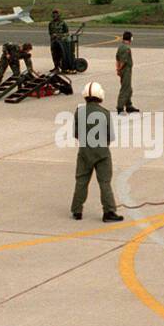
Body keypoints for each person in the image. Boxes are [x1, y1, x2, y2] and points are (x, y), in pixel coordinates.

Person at [71, 81, 123, 223]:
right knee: (105, 182)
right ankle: (109, 211)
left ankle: (77, 210)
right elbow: (110, 136)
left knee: (81, 181)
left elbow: (76, 133)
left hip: (84, 152)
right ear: (100, 95)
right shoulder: (105, 113)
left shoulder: (79, 111)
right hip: (102, 153)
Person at [115, 30, 139, 113]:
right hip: (126, 70)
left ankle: (129, 105)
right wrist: (120, 68)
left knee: (128, 88)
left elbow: (117, 59)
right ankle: (120, 107)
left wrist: (117, 69)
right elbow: (123, 61)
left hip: (122, 70)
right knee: (125, 89)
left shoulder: (120, 46)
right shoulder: (126, 48)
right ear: (130, 38)